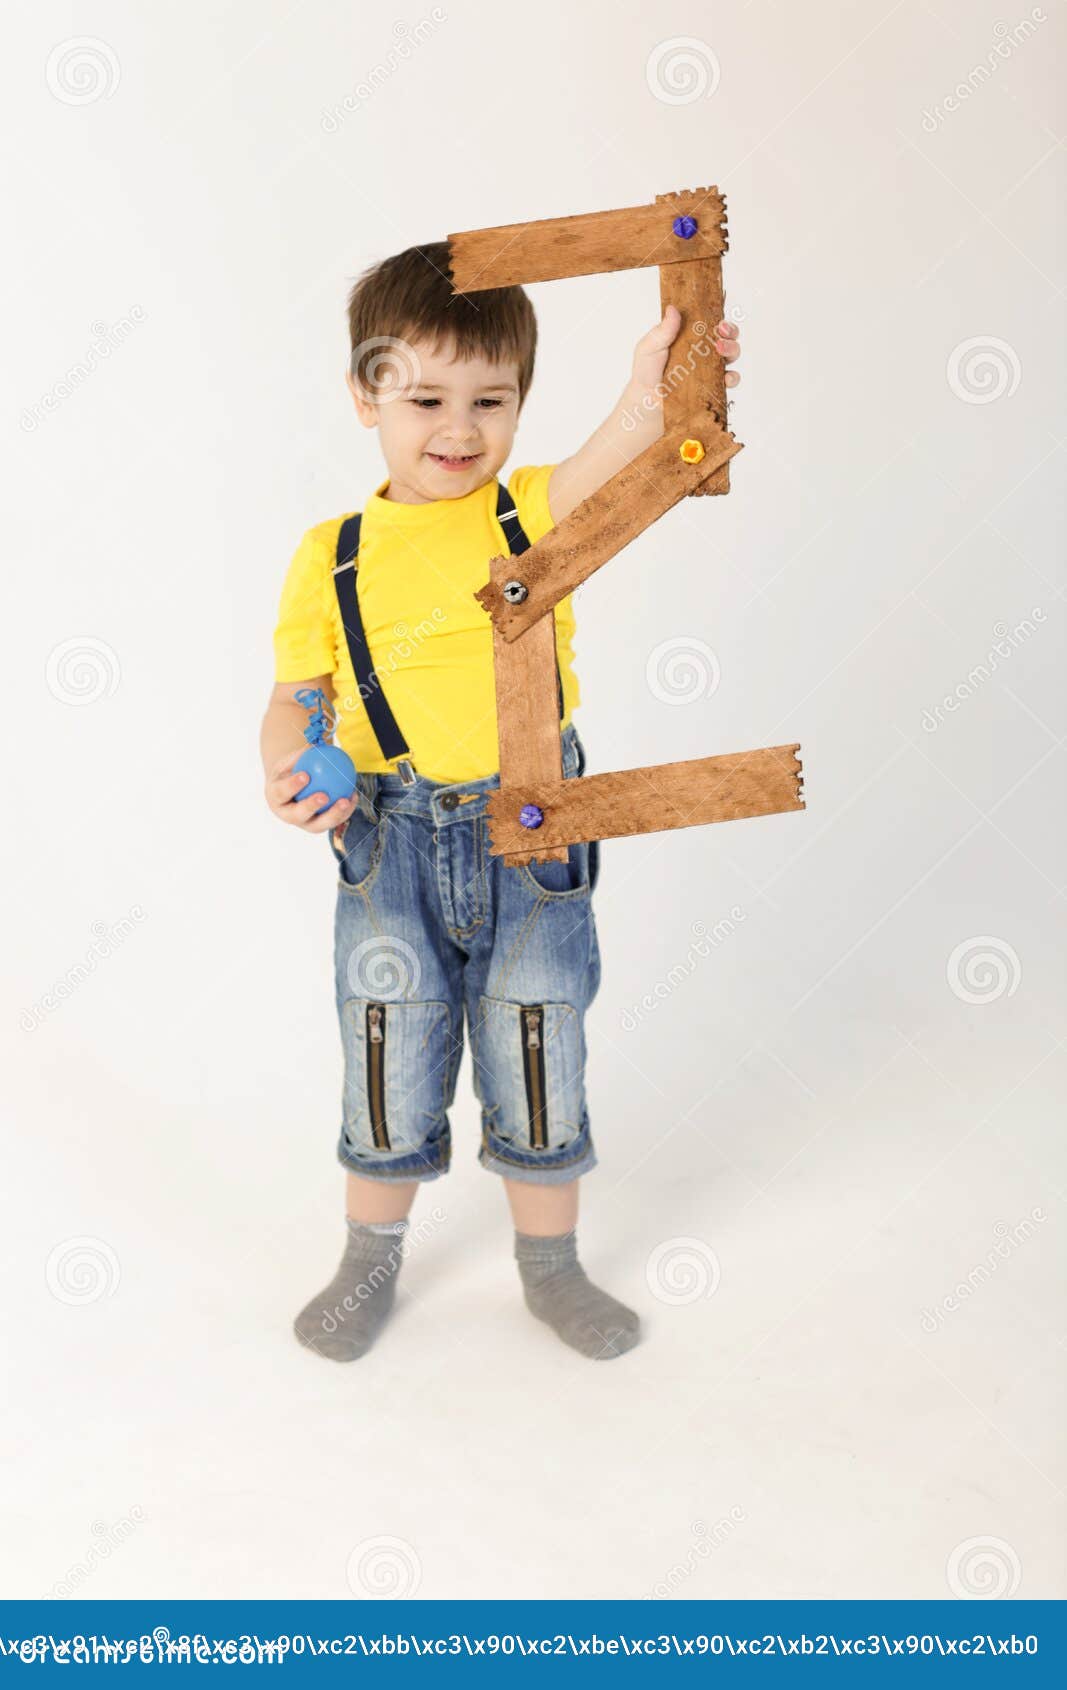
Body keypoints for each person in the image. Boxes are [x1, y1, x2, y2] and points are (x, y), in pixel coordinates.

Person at [260, 240, 740, 1364]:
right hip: (388, 841)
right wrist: (285, 765)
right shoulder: (329, 552)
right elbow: (294, 696)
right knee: (388, 1037)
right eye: (425, 397)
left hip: (531, 831)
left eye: (491, 400)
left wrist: (656, 385)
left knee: (537, 1030)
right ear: (364, 395)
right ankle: (367, 1257)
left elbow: (628, 445)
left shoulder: (528, 511)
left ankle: (550, 1265)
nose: (459, 428)